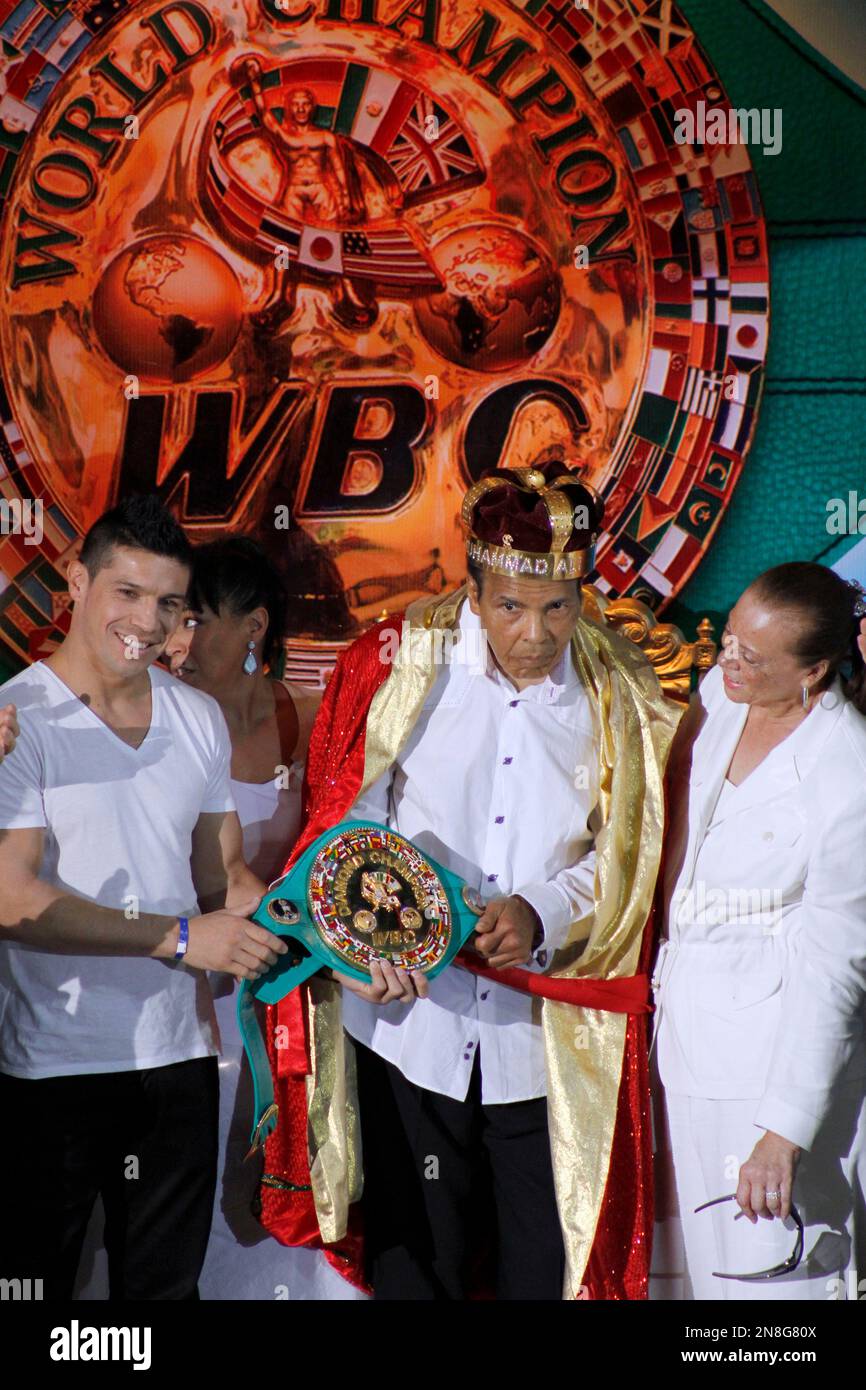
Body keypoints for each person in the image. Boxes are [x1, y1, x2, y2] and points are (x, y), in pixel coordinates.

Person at [259, 459, 681, 1300]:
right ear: (474, 590)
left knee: (541, 1266)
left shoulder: (619, 692)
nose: (536, 632)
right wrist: (375, 939)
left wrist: (545, 910)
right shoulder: (402, 665)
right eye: (512, 606)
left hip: (544, 1032)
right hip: (412, 1023)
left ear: (583, 594)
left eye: (559, 606)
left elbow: (631, 854)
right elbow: (352, 818)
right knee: (419, 1265)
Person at [0, 496, 286, 1302]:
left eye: (169, 604)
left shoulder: (197, 717)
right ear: (76, 581)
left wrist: (327, 936)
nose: (148, 622)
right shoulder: (17, 720)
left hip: (180, 1064)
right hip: (50, 1068)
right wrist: (177, 940)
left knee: (163, 1303)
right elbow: (12, 898)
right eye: (127, 593)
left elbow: (222, 880)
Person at [653, 561, 866, 1301]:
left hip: (770, 1067)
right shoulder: (722, 694)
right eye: (730, 641)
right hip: (685, 1048)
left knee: (777, 1291)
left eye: (753, 656)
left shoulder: (849, 774)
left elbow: (836, 967)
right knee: (708, 1286)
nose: (728, 663)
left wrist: (784, 1131)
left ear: (815, 670)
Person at [164, 536, 360, 1299]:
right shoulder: (162, 718)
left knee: (280, 1198)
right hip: (186, 981)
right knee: (195, 1196)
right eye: (174, 619)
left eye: (197, 619)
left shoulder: (311, 721)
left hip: (292, 985)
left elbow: (346, 856)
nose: (178, 642)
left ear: (254, 627)